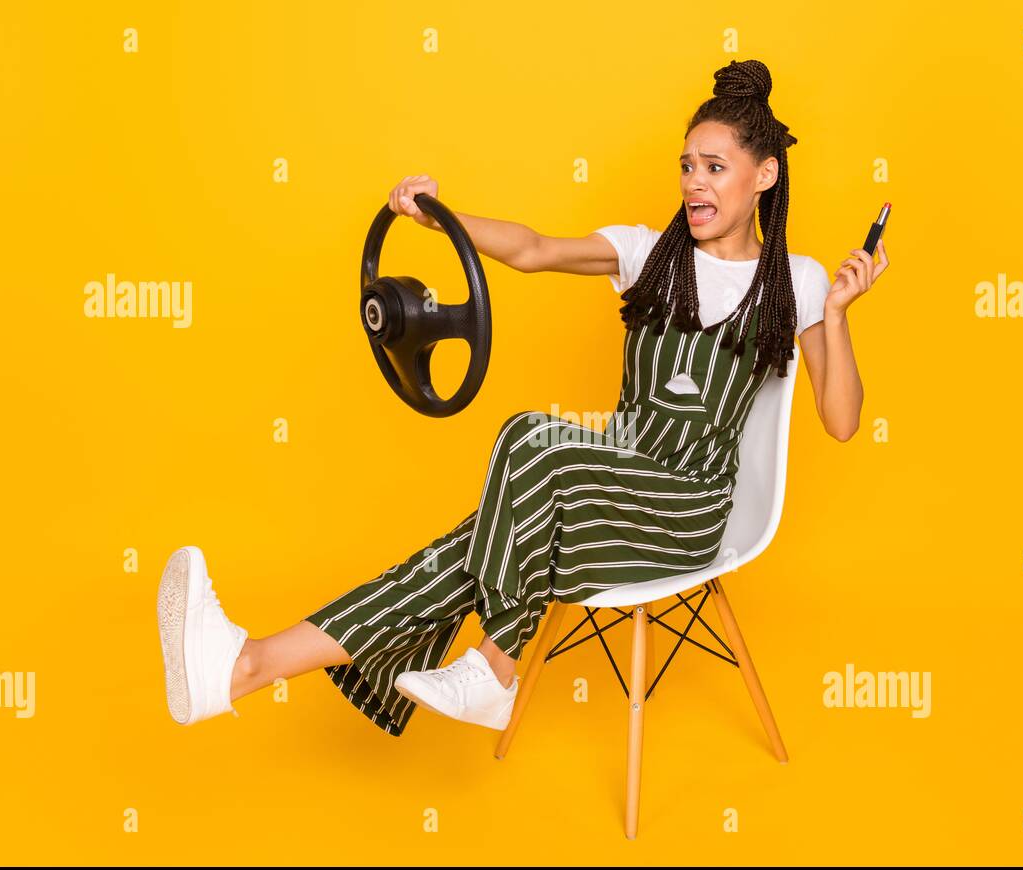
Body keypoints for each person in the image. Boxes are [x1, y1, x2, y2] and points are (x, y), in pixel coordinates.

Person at [156, 58, 888, 737]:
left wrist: (844, 315)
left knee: (533, 444)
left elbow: (843, 421)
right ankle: (245, 666)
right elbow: (534, 250)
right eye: (688, 166)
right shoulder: (648, 254)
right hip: (608, 479)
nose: (695, 183)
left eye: (715, 168)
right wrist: (441, 219)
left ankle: (491, 666)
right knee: (480, 541)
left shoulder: (800, 281)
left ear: (763, 176)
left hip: (687, 509)